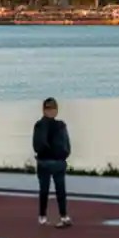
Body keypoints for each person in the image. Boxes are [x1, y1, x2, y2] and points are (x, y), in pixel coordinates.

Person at [32, 97, 72, 228]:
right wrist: (63, 155)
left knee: (45, 190)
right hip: (56, 162)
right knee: (59, 190)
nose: (51, 111)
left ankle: (43, 216)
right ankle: (63, 215)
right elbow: (66, 144)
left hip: (45, 161)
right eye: (51, 109)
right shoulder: (60, 125)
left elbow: (37, 145)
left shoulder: (39, 125)